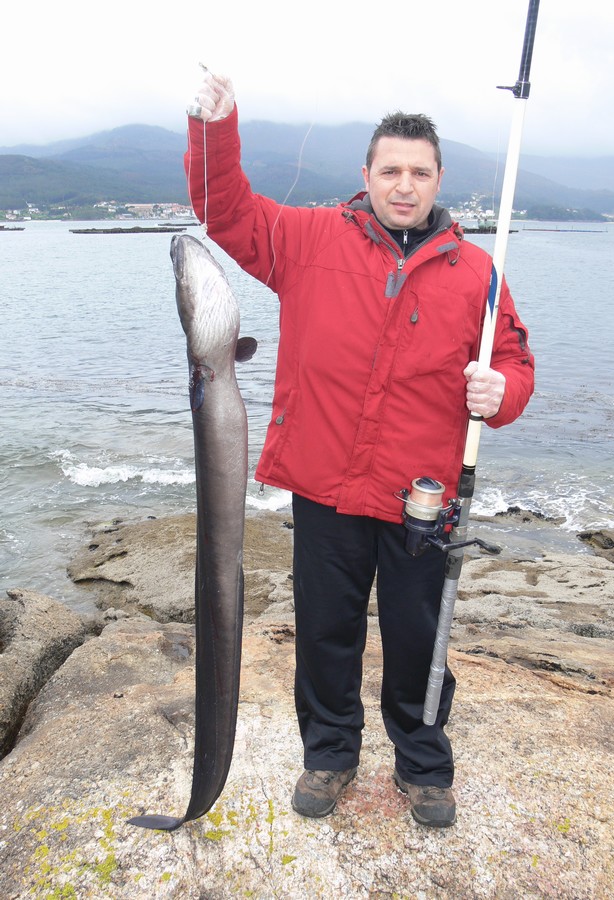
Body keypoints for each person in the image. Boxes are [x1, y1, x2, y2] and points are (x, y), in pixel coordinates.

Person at [185, 74, 534, 829]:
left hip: (422, 498)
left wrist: (497, 393)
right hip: (324, 487)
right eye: (389, 171)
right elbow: (225, 212)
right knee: (324, 630)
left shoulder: (476, 271)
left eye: (418, 173)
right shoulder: (305, 240)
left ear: (438, 180)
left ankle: (423, 764)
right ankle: (329, 754)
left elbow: (513, 363)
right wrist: (215, 128)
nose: (403, 187)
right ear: (365, 176)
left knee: (420, 639)